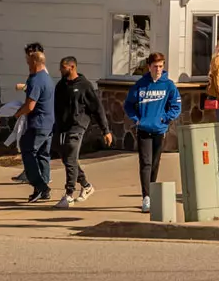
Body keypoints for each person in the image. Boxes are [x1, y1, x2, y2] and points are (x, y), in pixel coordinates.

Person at [124, 52, 183, 214]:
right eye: (155, 66)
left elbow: (176, 106)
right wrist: (136, 119)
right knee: (146, 163)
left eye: (161, 66)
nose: (158, 69)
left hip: (159, 130)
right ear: (149, 66)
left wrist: (165, 119)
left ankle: (152, 192)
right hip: (143, 129)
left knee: (155, 163)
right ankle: (146, 197)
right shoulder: (140, 85)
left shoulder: (169, 85)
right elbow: (128, 105)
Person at [54, 56, 112, 207]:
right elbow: (57, 110)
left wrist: (105, 130)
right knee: (67, 158)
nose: (60, 70)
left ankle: (68, 195)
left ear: (72, 67)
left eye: (63, 67)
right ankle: (86, 186)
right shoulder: (60, 86)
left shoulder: (84, 86)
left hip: (78, 125)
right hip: (63, 127)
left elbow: (97, 109)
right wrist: (56, 128)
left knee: (71, 154)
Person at [16, 48, 55, 202]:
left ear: (34, 62)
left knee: (27, 149)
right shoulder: (47, 78)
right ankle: (44, 188)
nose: (27, 65)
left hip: (38, 123)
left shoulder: (36, 80)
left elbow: (30, 106)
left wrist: (18, 112)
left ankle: (40, 186)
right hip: (49, 123)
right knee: (42, 154)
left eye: (28, 62)